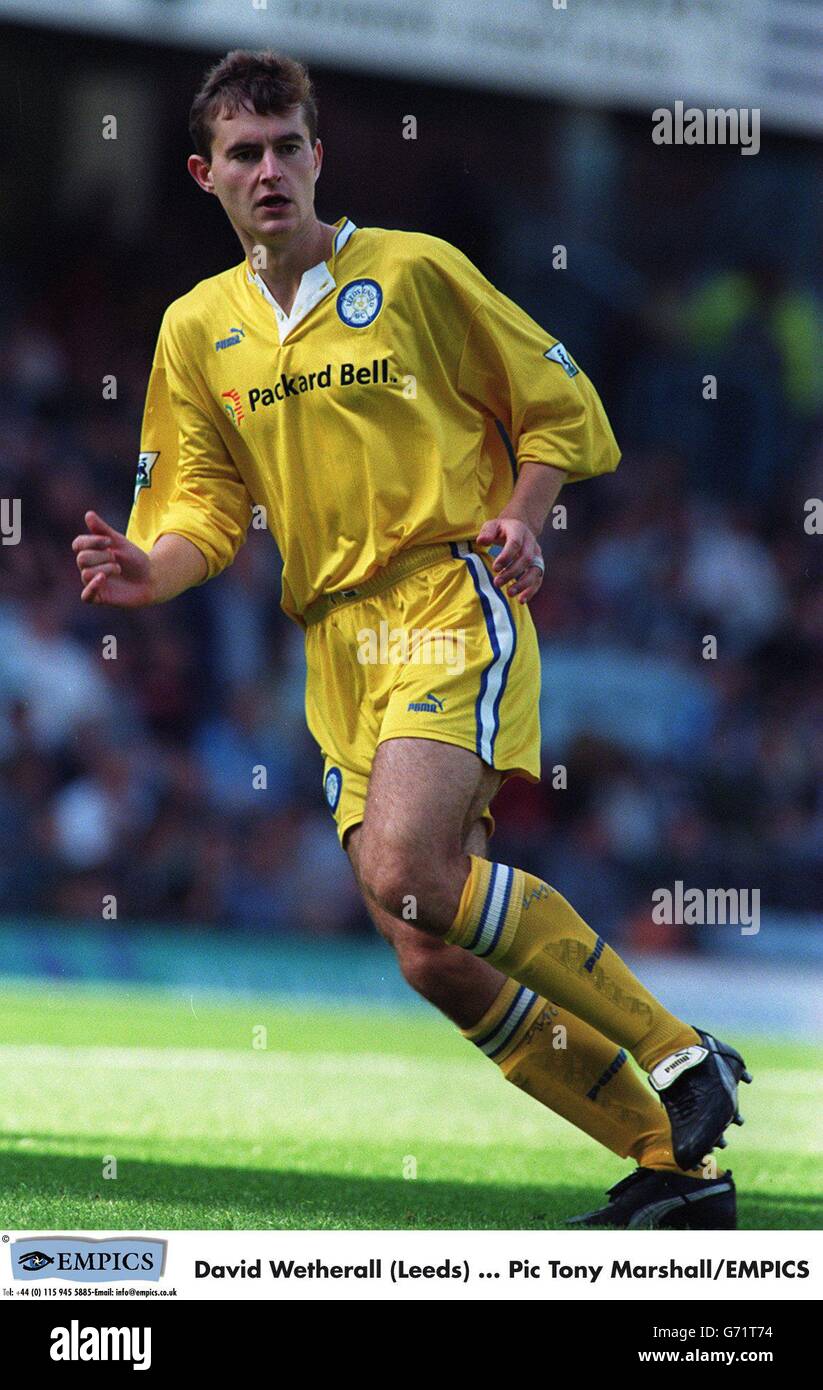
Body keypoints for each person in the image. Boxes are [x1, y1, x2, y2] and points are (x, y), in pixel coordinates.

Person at [72, 49, 750, 1229]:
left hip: (445, 594)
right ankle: (675, 1170)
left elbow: (559, 405)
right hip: (332, 646)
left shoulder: (415, 273)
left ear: (320, 155)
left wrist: (524, 519)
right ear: (203, 173)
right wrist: (151, 569)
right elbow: (203, 509)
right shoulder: (198, 332)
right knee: (428, 949)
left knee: (408, 873)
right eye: (244, 152)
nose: (270, 169)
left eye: (288, 145)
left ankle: (685, 1054)